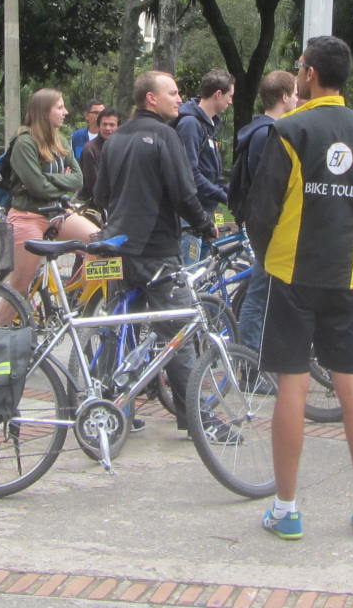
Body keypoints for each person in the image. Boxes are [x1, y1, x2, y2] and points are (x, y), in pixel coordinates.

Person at [243, 39, 353, 540]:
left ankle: (286, 510)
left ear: (308, 73)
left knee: (293, 384)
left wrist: (268, 257)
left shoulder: (288, 129)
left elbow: (260, 210)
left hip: (292, 274)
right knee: (352, 384)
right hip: (346, 275)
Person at [90, 72, 215, 434]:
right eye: (172, 93)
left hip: (119, 246)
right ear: (151, 98)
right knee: (177, 333)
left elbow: (100, 195)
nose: (179, 98)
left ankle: (112, 409)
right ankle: (198, 420)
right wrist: (205, 223)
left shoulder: (115, 138)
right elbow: (183, 192)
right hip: (157, 249)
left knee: (119, 329)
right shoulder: (165, 135)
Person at [5, 88, 101, 313]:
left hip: (57, 213)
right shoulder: (25, 143)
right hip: (28, 216)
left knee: (98, 242)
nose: (65, 112)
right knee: (19, 287)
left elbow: (78, 180)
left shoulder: (61, 141)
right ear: (44, 112)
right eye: (59, 107)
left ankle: (80, 303)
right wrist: (56, 182)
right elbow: (36, 187)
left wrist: (46, 178)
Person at [227, 70, 299, 353]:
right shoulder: (269, 134)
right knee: (258, 295)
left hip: (262, 222)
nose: (297, 99)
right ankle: (250, 359)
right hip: (268, 226)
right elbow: (267, 185)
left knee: (263, 292)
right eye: (295, 94)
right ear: (284, 97)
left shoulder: (257, 130)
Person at [175, 69, 235, 264]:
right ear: (218, 94)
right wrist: (224, 196)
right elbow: (190, 174)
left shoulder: (210, 126)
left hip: (206, 213)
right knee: (189, 273)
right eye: (229, 96)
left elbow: (212, 175)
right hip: (190, 216)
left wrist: (233, 194)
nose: (231, 101)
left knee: (202, 271)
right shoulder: (190, 124)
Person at [80, 109, 121, 199]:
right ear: (99, 126)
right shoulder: (90, 149)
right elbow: (93, 184)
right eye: (104, 124)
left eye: (112, 125)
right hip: (95, 201)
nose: (107, 128)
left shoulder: (123, 148)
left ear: (118, 127)